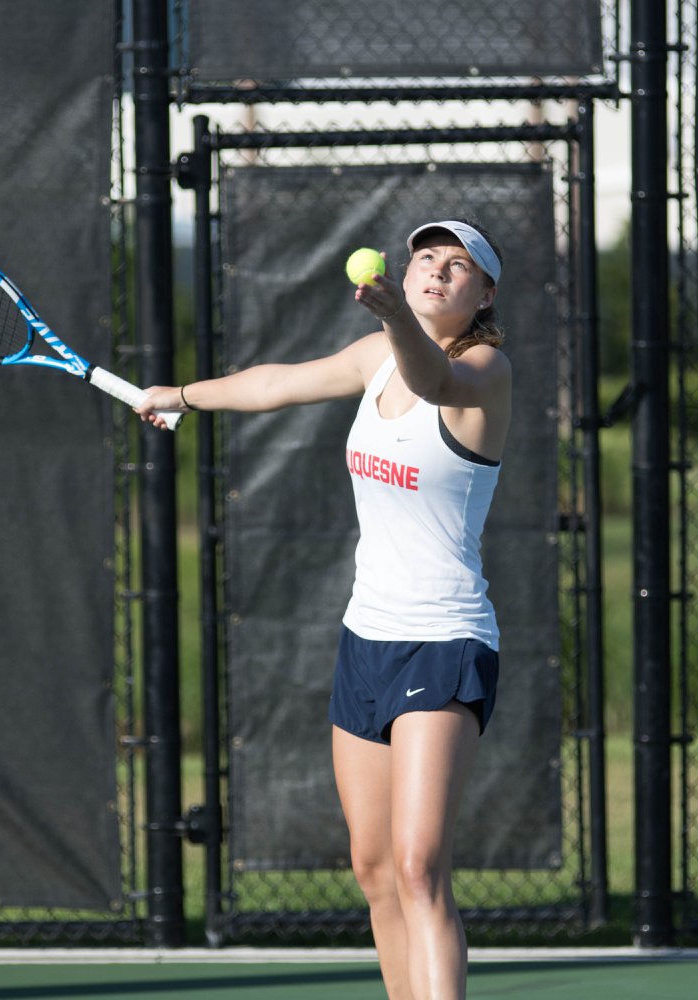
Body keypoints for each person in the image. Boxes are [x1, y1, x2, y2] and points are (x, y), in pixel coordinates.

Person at [137, 219, 510, 1000]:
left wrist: (394, 316)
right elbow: (276, 384)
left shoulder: (485, 370)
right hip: (365, 640)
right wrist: (182, 396)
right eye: (425, 259)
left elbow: (434, 383)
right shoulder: (377, 357)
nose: (436, 271)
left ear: (483, 295)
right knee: (374, 869)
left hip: (444, 641)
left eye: (458, 266)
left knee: (419, 866)